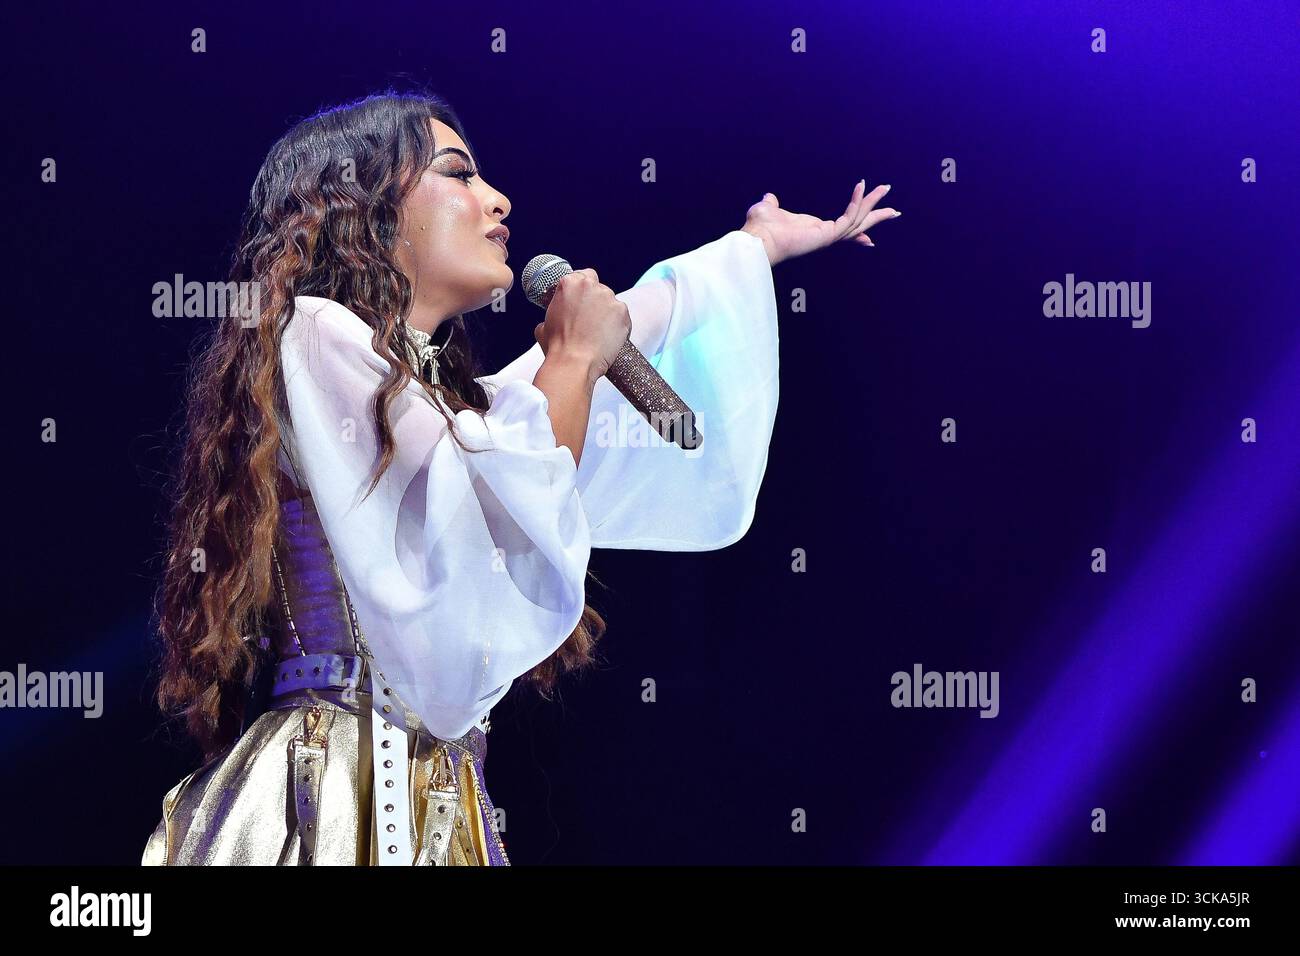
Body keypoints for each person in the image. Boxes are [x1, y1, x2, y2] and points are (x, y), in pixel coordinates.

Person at [142, 89, 899, 866]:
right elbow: (503, 507)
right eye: (458, 175)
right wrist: (573, 358)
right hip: (337, 788)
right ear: (361, 208)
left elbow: (634, 324)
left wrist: (752, 247)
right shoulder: (314, 335)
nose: (497, 200)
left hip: (441, 798)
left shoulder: (465, 416)